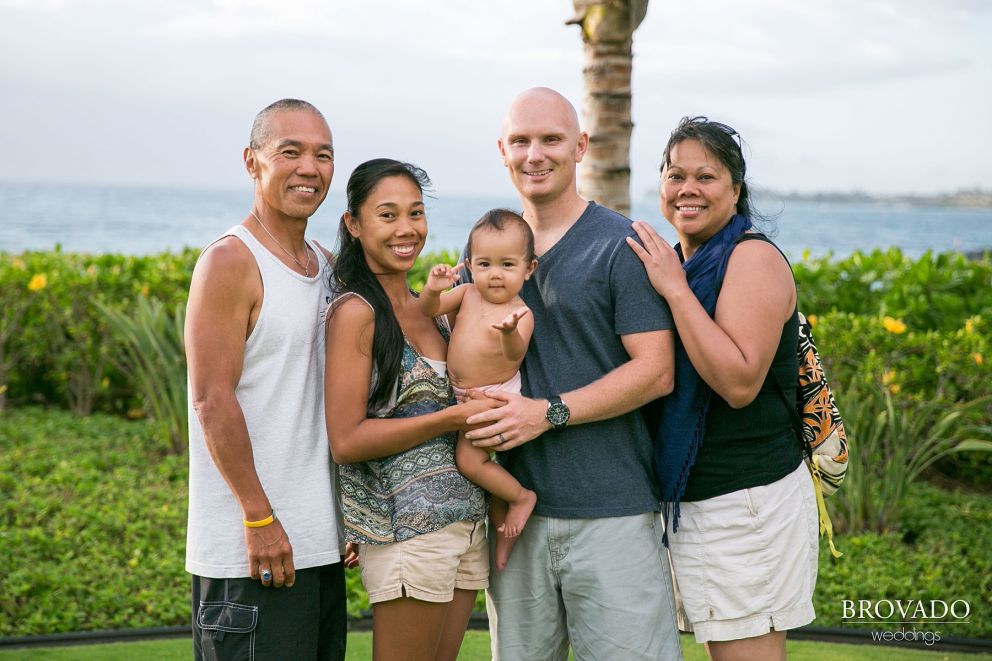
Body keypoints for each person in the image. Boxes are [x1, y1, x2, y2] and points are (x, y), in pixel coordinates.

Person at [464, 87, 684, 660]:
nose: (534, 154)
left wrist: (548, 413)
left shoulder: (619, 245)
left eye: (551, 139)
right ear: (502, 151)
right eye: (520, 141)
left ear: (581, 146)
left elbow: (657, 372)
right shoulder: (487, 253)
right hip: (517, 522)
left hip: (613, 515)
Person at [626, 116, 818, 661]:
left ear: (735, 190)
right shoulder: (683, 262)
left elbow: (738, 382)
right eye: (675, 175)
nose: (687, 188)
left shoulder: (751, 258)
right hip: (701, 504)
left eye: (705, 177)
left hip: (746, 504)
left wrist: (674, 291)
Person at [185, 99, 346, 661]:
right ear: (252, 162)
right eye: (290, 152)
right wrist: (258, 516)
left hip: (318, 548)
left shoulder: (326, 265)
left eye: (323, 155)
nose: (309, 168)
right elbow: (211, 399)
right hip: (251, 551)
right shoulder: (230, 261)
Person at [324, 158, 501, 661]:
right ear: (354, 224)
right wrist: (451, 418)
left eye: (416, 213)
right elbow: (346, 441)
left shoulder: (432, 308)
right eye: (388, 215)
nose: (406, 229)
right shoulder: (357, 313)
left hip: (466, 525)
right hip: (407, 532)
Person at [419, 209, 539, 572]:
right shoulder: (467, 293)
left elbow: (515, 355)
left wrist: (508, 334)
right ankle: (502, 544)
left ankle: (522, 497)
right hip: (463, 395)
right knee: (485, 472)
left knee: (470, 462)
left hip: (493, 397)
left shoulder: (521, 313)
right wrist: (433, 288)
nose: (495, 274)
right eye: (485, 264)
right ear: (470, 265)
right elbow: (428, 310)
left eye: (507, 265)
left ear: (528, 269)